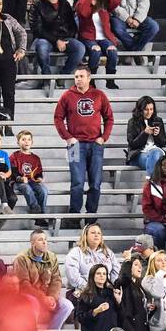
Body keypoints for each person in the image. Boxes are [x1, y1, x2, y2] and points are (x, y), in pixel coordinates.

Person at [55, 66, 113, 224]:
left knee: (95, 183)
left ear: (89, 78)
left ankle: (91, 217)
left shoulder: (99, 95)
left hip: (96, 145)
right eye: (76, 76)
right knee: (77, 183)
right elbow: (58, 118)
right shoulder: (67, 96)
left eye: (81, 76)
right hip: (75, 145)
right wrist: (67, 137)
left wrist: (103, 138)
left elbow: (109, 118)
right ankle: (74, 217)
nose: (78, 79)